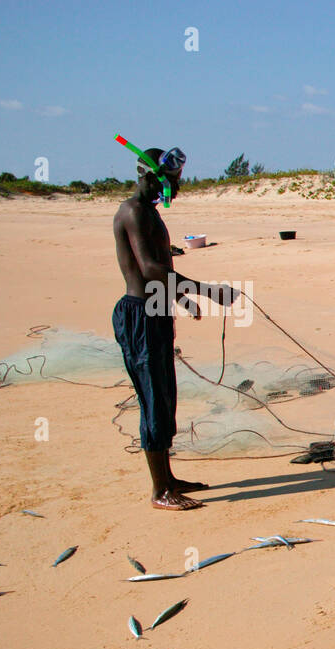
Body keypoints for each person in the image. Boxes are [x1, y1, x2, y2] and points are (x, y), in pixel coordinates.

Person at [111, 145, 237, 510]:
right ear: (151, 175)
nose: (176, 187)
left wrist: (181, 300)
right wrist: (207, 290)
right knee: (153, 399)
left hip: (156, 311)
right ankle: (159, 491)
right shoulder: (133, 211)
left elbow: (159, 269)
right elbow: (149, 268)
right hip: (139, 317)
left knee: (165, 398)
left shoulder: (150, 213)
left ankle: (169, 478)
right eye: (171, 179)